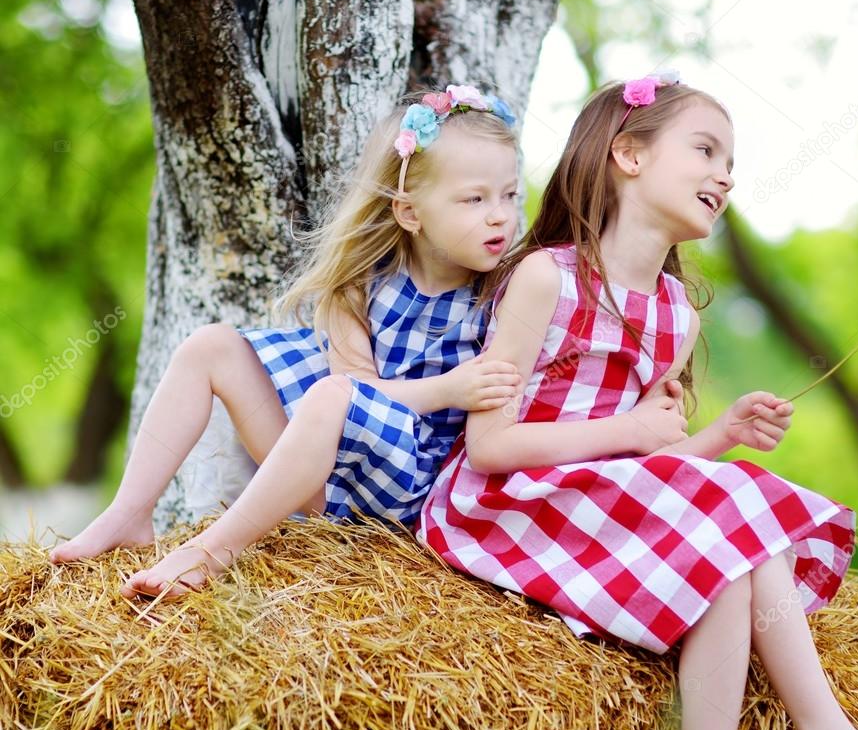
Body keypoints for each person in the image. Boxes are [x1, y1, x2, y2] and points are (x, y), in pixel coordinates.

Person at [417, 74, 858, 730]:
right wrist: (637, 429)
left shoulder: (674, 314)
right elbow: (490, 445)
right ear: (628, 155)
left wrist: (722, 433)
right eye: (705, 150)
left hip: (591, 499)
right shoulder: (548, 277)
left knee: (732, 545)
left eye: (731, 161)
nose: (725, 174)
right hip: (505, 505)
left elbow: (661, 466)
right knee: (735, 520)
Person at [50, 85, 523, 600]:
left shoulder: (505, 295)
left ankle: (210, 552)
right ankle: (129, 513)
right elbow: (356, 385)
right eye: (475, 199)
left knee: (333, 394)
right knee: (211, 347)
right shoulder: (361, 282)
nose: (499, 214)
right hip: (321, 478)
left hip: (403, 494)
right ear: (410, 213)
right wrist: (449, 389)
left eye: (510, 194)